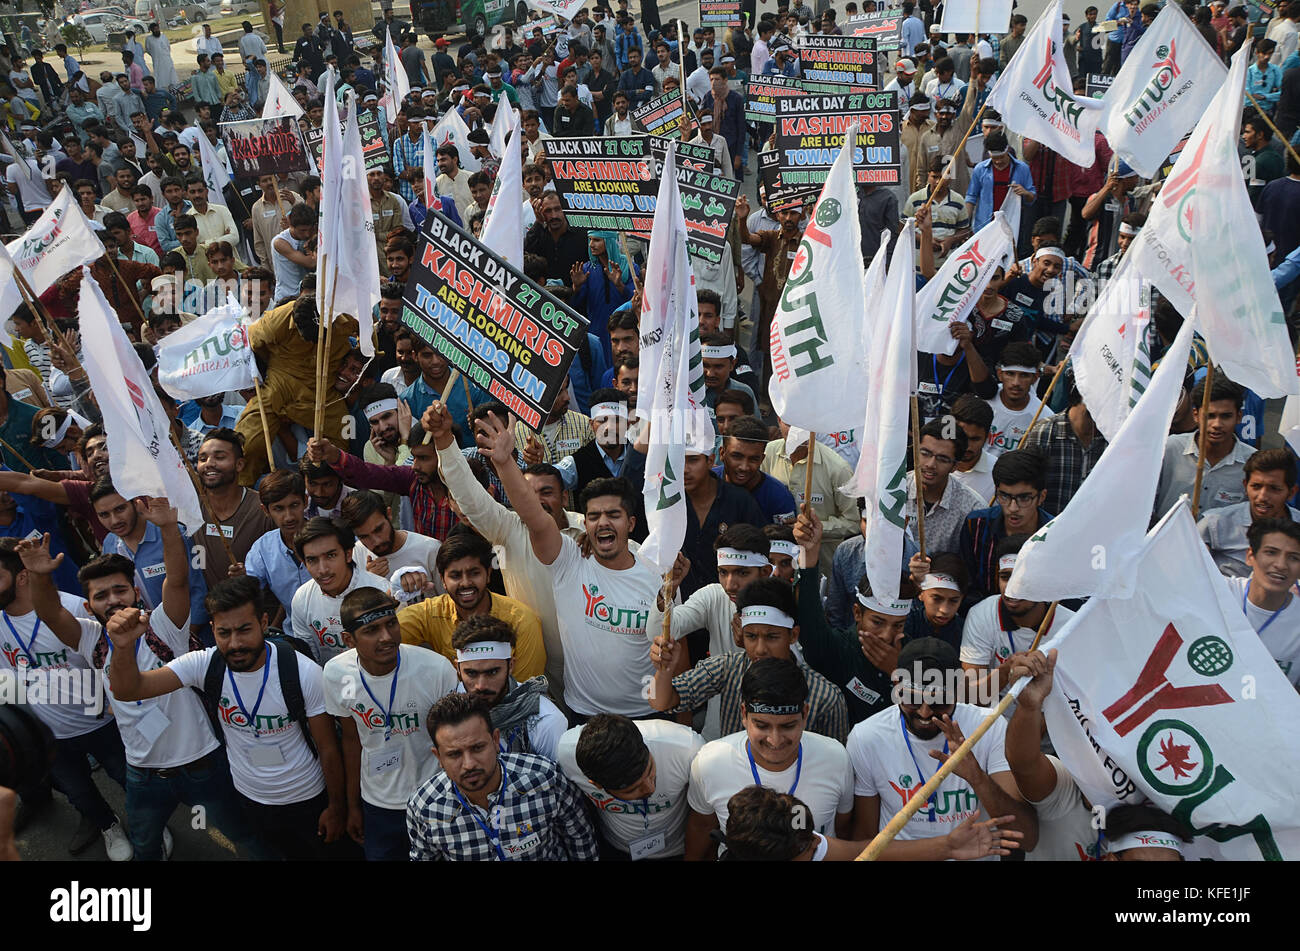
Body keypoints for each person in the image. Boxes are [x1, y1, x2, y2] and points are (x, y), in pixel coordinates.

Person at [106, 575, 353, 860]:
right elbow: (127, 690)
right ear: (213, 629)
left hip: (308, 797)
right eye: (224, 633)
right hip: (251, 799)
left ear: (263, 623)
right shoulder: (204, 664)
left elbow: (328, 749)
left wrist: (337, 808)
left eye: (244, 630)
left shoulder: (302, 671)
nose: (235, 643)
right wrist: (123, 647)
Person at [0, 539, 134, 860]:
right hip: (50, 737)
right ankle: (108, 826)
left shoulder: (72, 608)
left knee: (130, 780)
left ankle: (148, 825)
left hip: (103, 724)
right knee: (79, 793)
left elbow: (105, 662)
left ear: (21, 577)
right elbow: (6, 678)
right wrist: (26, 729)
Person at [846, 637, 1038, 853]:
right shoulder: (866, 737)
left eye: (938, 702)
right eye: (911, 698)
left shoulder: (989, 727)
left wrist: (976, 777)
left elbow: (1027, 838)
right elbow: (865, 840)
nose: (924, 712)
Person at [323, 586, 458, 861]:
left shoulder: (435, 669)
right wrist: (353, 806)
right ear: (349, 639)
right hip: (378, 805)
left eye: (391, 624)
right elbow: (351, 741)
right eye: (371, 630)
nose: (386, 637)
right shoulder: (338, 675)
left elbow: (455, 742)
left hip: (437, 798)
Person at [684, 658, 855, 859]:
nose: (775, 741)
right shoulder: (709, 762)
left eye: (788, 726)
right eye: (762, 726)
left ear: (805, 714)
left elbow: (844, 829)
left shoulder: (836, 758)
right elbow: (702, 828)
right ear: (744, 714)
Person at [649, 576, 849, 742]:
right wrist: (665, 670)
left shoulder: (825, 697)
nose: (760, 649)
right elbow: (660, 702)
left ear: (793, 635)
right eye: (752, 637)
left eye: (772, 637)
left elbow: (834, 763)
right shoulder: (726, 668)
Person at [406, 693, 599, 860]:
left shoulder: (546, 780)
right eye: (454, 754)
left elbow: (581, 842)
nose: (469, 764)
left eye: (477, 748)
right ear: (438, 757)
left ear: (495, 740)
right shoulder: (425, 808)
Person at [397, 528, 546, 678]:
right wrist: (392, 596)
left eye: (474, 573)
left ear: (488, 574)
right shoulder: (431, 613)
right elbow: (382, 639)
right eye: (455, 576)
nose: (465, 583)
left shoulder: (522, 621)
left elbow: (525, 691)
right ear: (442, 580)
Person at [557, 713, 704, 860]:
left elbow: (703, 818)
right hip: (614, 848)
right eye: (632, 789)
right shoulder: (567, 757)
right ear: (596, 784)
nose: (650, 788)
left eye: (651, 770)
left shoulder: (686, 749)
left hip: (679, 850)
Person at [958, 536, 1075, 702]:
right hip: (994, 716)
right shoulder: (982, 614)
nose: (1012, 586)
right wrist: (1006, 670)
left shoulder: (1070, 625)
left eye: (1022, 578)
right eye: (1005, 577)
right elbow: (970, 696)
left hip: (1046, 717)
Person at [450, 614, 567, 758]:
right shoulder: (452, 704)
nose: (480, 685)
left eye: (492, 672)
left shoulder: (545, 720)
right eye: (471, 673)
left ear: (511, 665)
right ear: (457, 669)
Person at [290, 517, 394, 664]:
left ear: (348, 554)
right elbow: (308, 659)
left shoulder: (382, 590)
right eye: (312, 560)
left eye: (331, 556)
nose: (322, 570)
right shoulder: (302, 599)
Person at [960, 450, 1053, 600]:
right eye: (1004, 496)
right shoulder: (976, 526)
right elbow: (966, 585)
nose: (1013, 508)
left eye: (1024, 498)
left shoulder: (1055, 534)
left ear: (1041, 497)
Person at [1154, 376, 1252, 518]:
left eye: (1226, 416)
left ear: (1239, 417)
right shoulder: (1169, 449)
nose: (1217, 424)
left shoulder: (1251, 463)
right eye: (1210, 416)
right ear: (1196, 415)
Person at [1199, 449, 1299, 578]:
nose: (1262, 496)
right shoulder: (1215, 523)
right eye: (1256, 486)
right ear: (1245, 486)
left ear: (1291, 493)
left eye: (1274, 489)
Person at [965, 131, 1035, 232]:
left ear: (1007, 150)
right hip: (984, 227)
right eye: (994, 158)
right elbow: (971, 197)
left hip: (1011, 227)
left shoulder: (1022, 169)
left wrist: (1026, 193)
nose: (998, 161)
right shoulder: (980, 169)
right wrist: (966, 223)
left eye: (1001, 157)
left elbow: (1031, 199)